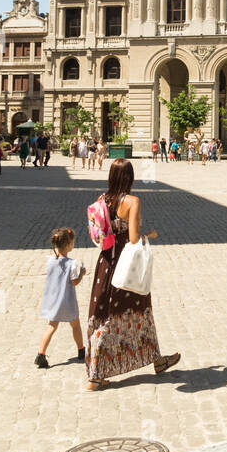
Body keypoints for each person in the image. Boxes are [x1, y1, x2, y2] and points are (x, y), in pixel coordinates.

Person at [84, 159, 179, 390]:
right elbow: (134, 238)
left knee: (104, 312)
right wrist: (150, 234)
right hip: (126, 265)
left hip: (106, 263)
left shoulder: (101, 200)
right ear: (130, 178)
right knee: (139, 311)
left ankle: (155, 361)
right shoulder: (133, 201)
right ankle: (96, 376)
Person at [36, 227, 88, 368]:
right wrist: (81, 274)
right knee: (75, 324)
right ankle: (81, 350)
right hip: (67, 301)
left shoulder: (50, 260)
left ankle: (41, 353)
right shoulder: (71, 264)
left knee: (51, 326)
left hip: (53, 300)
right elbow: (74, 282)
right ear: (69, 245)